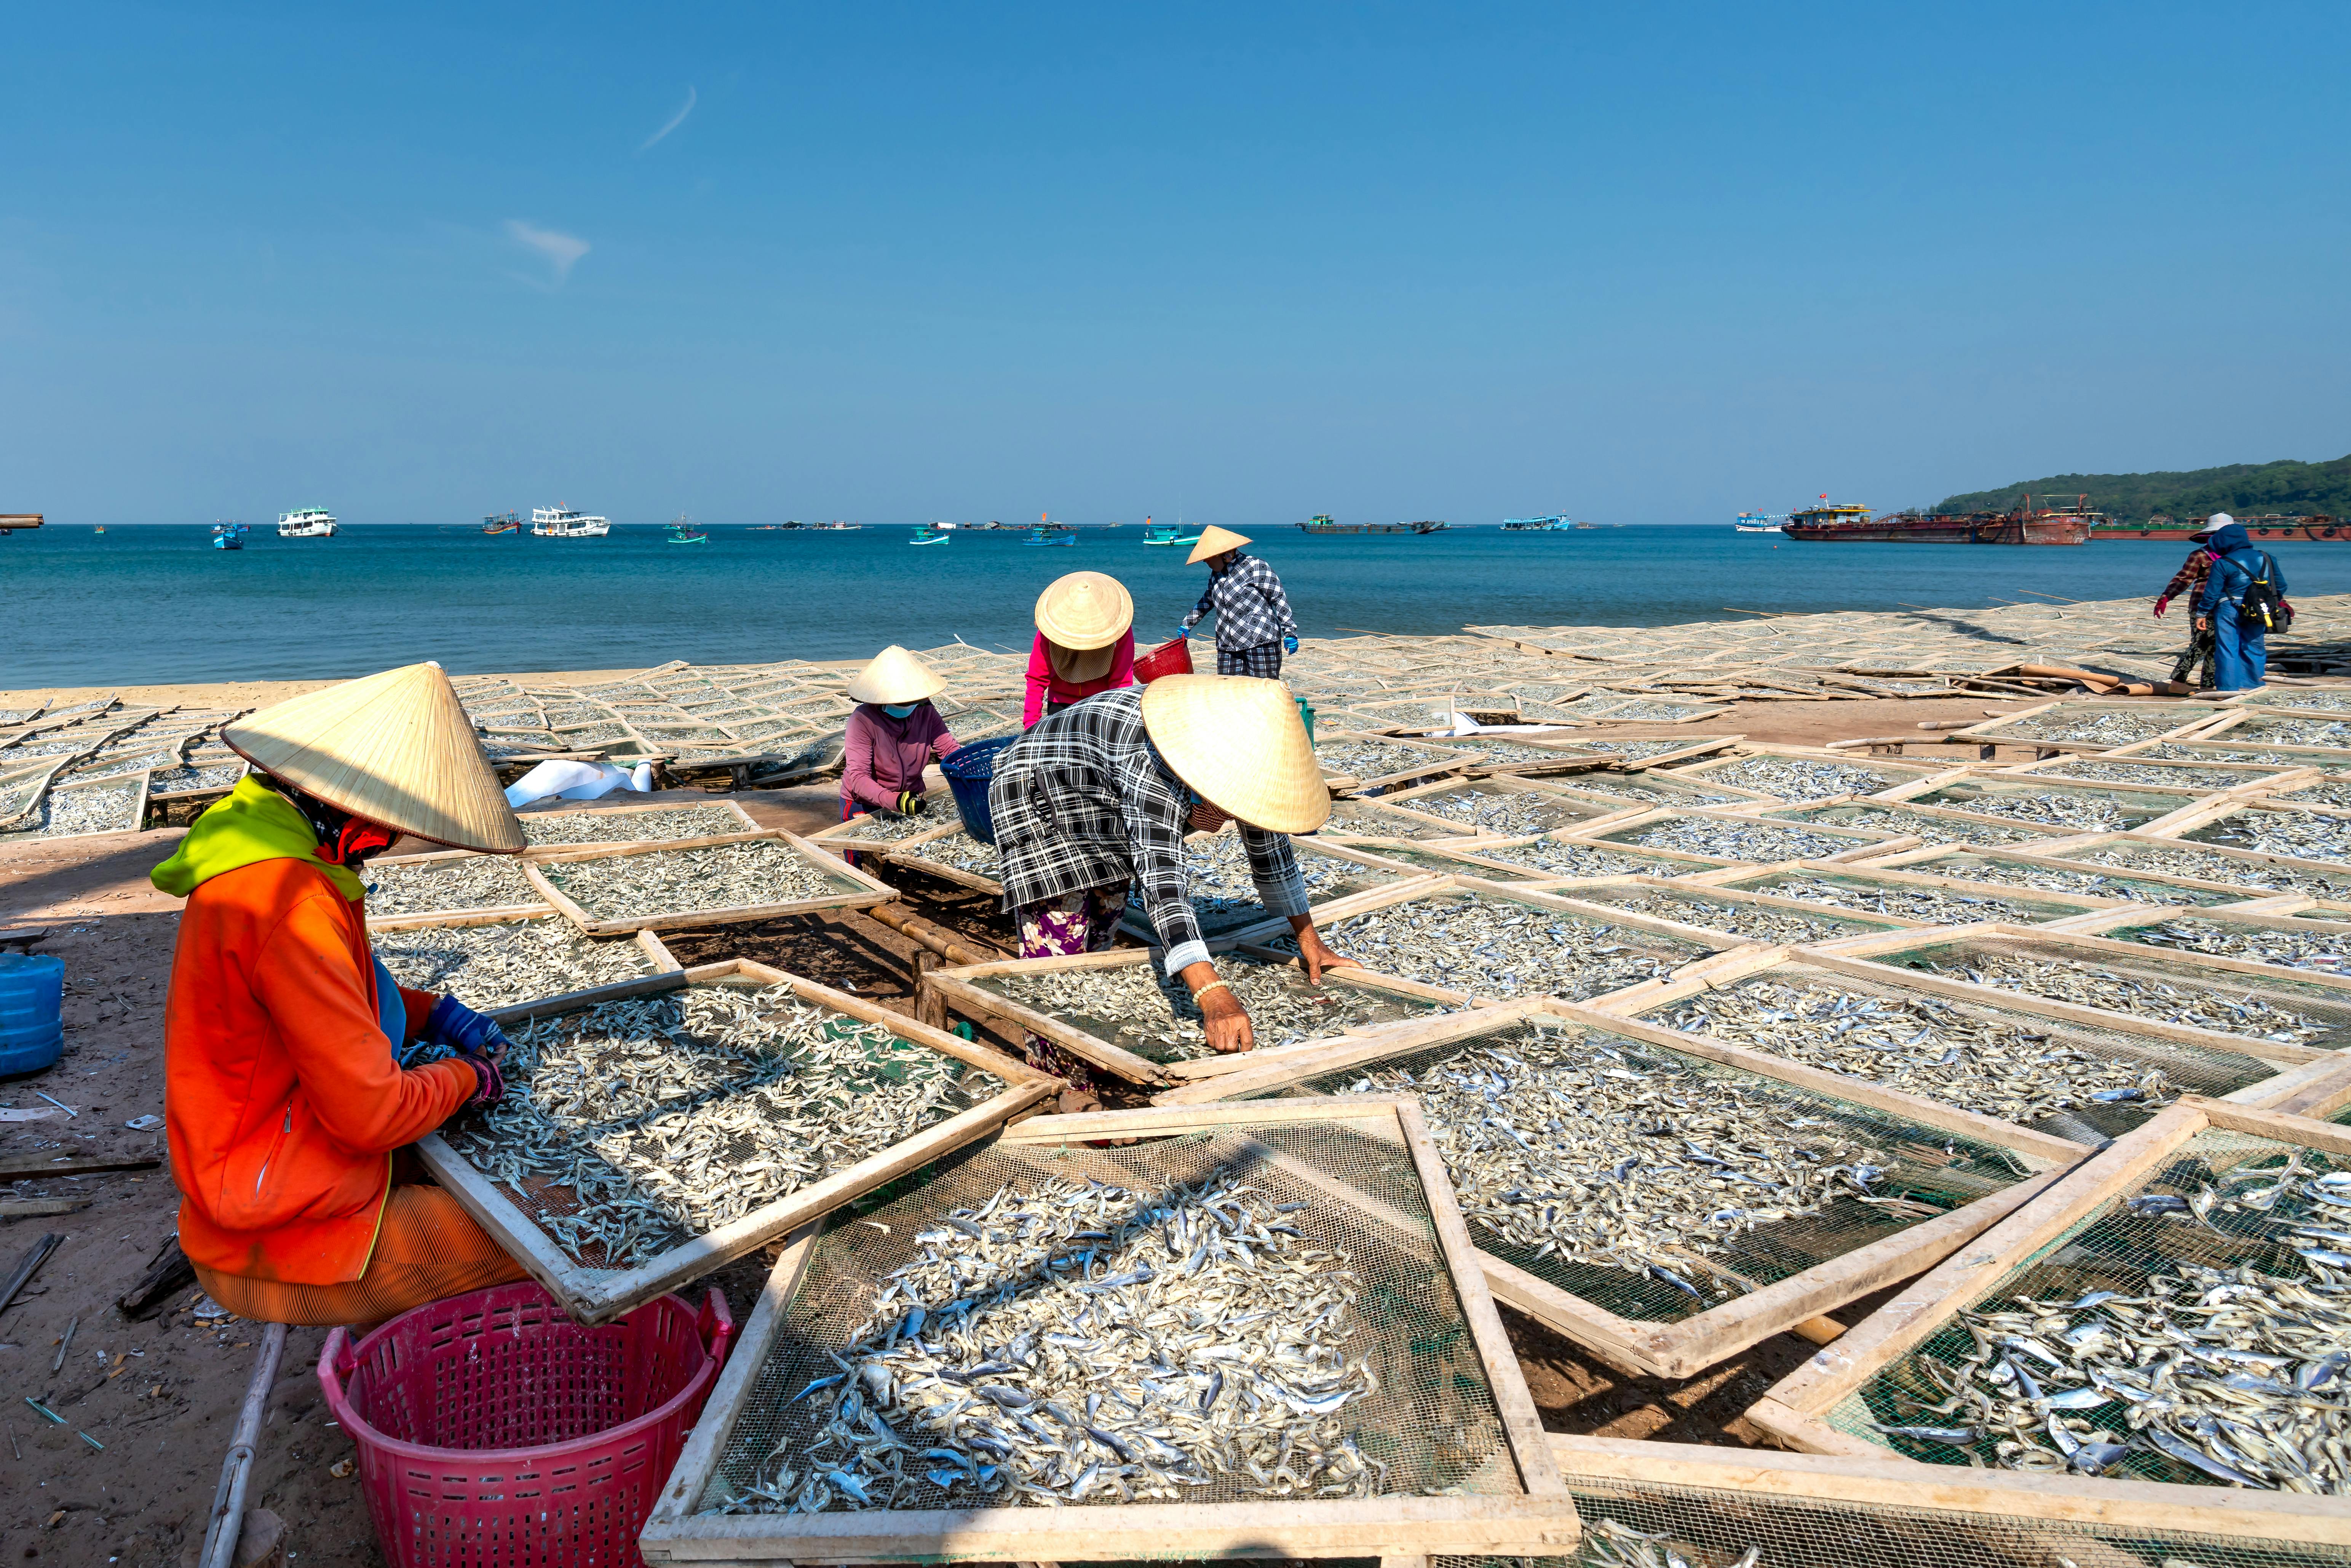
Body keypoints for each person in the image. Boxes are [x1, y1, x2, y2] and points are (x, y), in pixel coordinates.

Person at [149, 661, 530, 1326]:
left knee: (494, 1177)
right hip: (281, 1237)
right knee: (563, 1228)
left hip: (262, 1176)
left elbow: (326, 1003)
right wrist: (470, 1079)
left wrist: (433, 1012)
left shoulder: (261, 853)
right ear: (341, 804)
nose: (385, 843)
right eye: (386, 825)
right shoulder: (288, 901)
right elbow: (372, 1117)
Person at [988, 674, 1352, 1104]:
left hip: (1102, 794)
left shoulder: (1246, 756)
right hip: (1036, 792)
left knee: (1103, 923)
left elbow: (1270, 848)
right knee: (1059, 941)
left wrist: (1309, 938)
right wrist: (1210, 992)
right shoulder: (1153, 764)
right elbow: (1163, 884)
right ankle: (1061, 1080)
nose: (1229, 819)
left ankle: (1086, 1042)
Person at [840, 645, 961, 831]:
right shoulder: (862, 720)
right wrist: (896, 800)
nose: (908, 705)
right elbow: (858, 777)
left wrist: (971, 768)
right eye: (901, 701)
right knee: (857, 858)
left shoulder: (925, 710)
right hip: (864, 803)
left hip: (912, 798)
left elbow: (949, 750)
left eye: (911, 700)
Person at [1174, 526, 1299, 678]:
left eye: (1208, 557)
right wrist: (1187, 624)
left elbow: (1279, 598)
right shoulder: (1216, 576)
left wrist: (1290, 633)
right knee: (1229, 694)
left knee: (1264, 693)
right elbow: (1208, 600)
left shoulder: (1256, 567)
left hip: (1261, 641)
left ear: (1226, 554)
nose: (1206, 561)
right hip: (1228, 645)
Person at [1024, 571, 1137, 726]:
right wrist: (1030, 724)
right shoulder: (1050, 631)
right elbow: (1037, 679)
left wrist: (1117, 722)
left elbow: (1121, 681)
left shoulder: (1118, 630)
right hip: (1060, 702)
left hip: (1100, 702)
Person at [2194, 516, 2290, 692]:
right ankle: (2252, 685)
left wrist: (2202, 614)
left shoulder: (2222, 563)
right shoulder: (2267, 558)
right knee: (2254, 646)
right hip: (2260, 608)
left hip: (2229, 609)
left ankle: (2229, 689)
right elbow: (2281, 586)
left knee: (2227, 648)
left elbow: (2212, 593)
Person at [2153, 532, 2220, 689]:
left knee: (2216, 646)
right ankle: (2178, 681)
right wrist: (2166, 597)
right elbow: (2184, 579)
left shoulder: (2235, 555)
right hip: (2201, 604)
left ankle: (2208, 685)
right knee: (2200, 643)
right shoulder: (2200, 556)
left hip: (2225, 606)